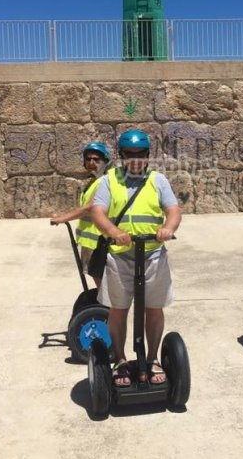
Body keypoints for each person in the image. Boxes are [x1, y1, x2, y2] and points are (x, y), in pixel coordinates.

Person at [90, 129, 181, 387]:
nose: (135, 159)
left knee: (154, 308)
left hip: (152, 255)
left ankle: (152, 358)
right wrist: (114, 231)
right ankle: (119, 360)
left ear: (147, 155)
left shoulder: (158, 180)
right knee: (118, 311)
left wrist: (169, 228)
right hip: (120, 257)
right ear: (121, 156)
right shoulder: (110, 180)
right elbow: (98, 212)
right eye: (130, 155)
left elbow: (173, 210)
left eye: (140, 154)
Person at [50, 142, 111, 288]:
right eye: (88, 159)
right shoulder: (93, 182)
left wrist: (63, 218)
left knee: (102, 283)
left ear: (105, 162)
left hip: (98, 241)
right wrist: (63, 216)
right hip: (90, 241)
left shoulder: (104, 181)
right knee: (98, 281)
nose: (91, 163)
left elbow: (89, 208)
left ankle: (108, 310)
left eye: (96, 160)